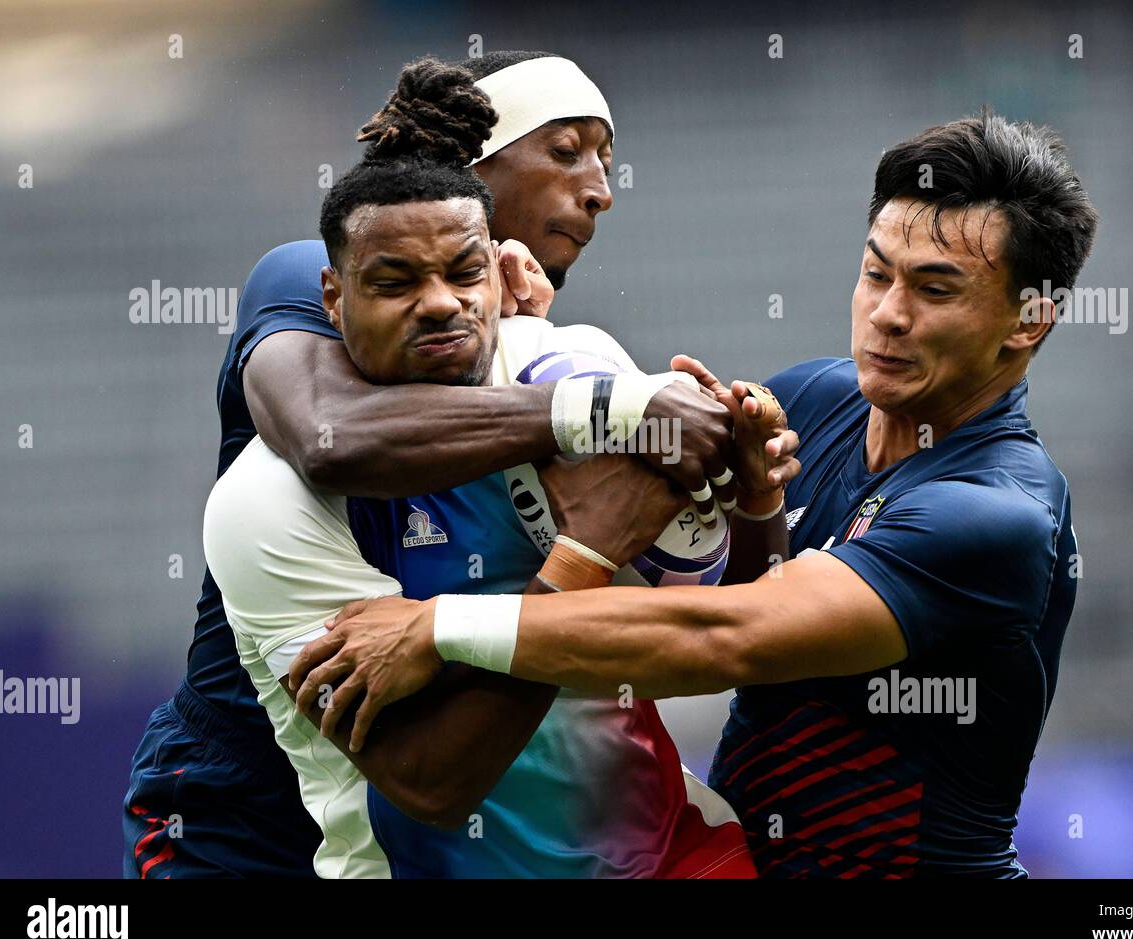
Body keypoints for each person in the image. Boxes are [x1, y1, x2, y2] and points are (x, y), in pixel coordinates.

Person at [291, 111, 1099, 878]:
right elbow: (681, 567)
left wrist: (441, 627)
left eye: (935, 290)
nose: (887, 315)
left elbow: (722, 637)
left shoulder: (995, 511)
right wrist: (526, 348)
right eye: (875, 273)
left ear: (1028, 320)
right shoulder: (813, 401)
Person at [124, 52, 734, 878]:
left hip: (465, 780)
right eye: (565, 150)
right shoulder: (305, 271)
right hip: (253, 782)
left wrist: (744, 489)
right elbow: (332, 438)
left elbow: (685, 602)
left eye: (606, 159)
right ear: (470, 163)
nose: (599, 188)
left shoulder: (551, 347)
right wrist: (617, 414)